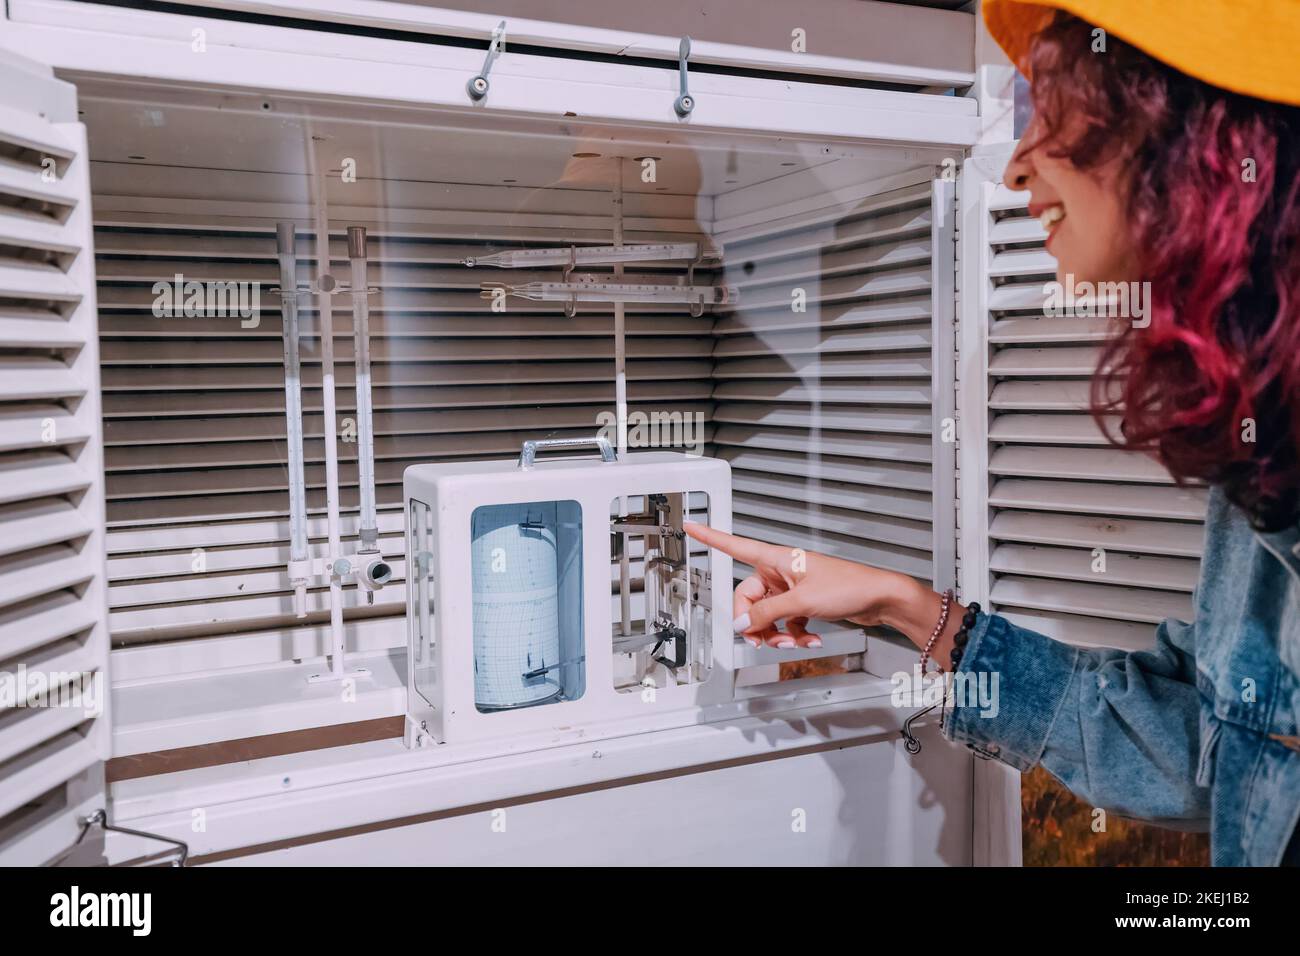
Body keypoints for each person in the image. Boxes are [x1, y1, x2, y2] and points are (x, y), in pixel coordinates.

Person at [685, 0, 1300, 866]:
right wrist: (910, 608)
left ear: (1181, 125)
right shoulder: (1265, 440)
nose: (1014, 168)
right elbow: (1208, 745)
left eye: (1051, 113)